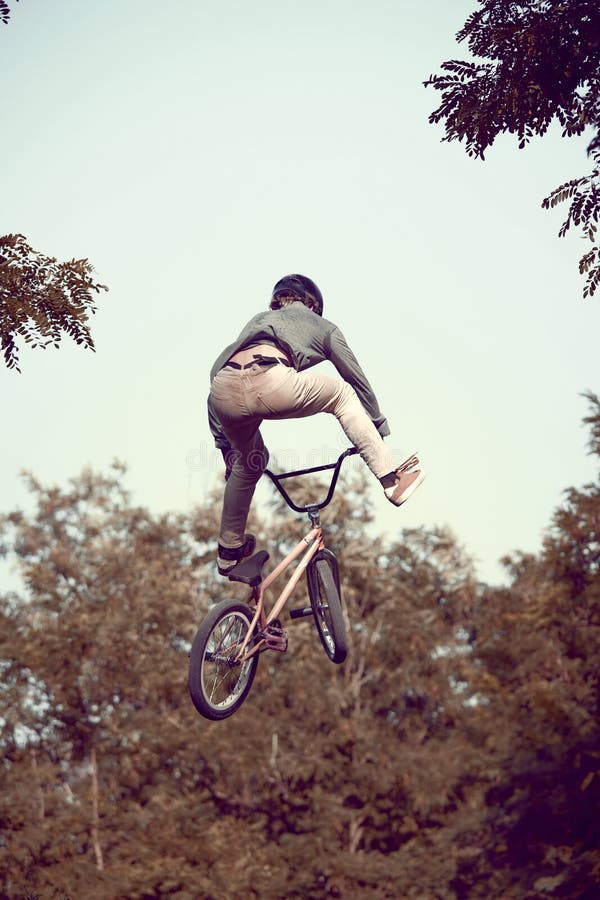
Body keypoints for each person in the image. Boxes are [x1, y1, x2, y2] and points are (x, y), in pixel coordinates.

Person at [207, 274, 426, 575]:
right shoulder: (323, 327)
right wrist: (378, 430)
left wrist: (227, 453)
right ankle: (391, 481)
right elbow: (356, 380)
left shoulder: (259, 320)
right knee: (342, 394)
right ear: (312, 304)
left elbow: (216, 387)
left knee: (249, 463)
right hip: (271, 378)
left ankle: (228, 551)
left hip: (222, 387)